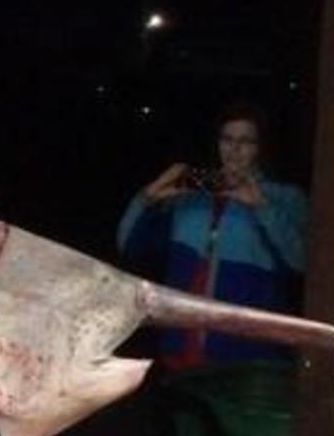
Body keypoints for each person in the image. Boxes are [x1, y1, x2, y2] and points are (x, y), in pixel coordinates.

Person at [117, 101, 308, 368]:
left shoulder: (285, 197)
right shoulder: (191, 198)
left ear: (261, 147)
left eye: (246, 141)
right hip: (181, 339)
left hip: (248, 346)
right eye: (227, 139)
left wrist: (262, 208)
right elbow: (128, 245)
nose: (234, 149)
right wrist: (146, 200)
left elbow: (301, 261)